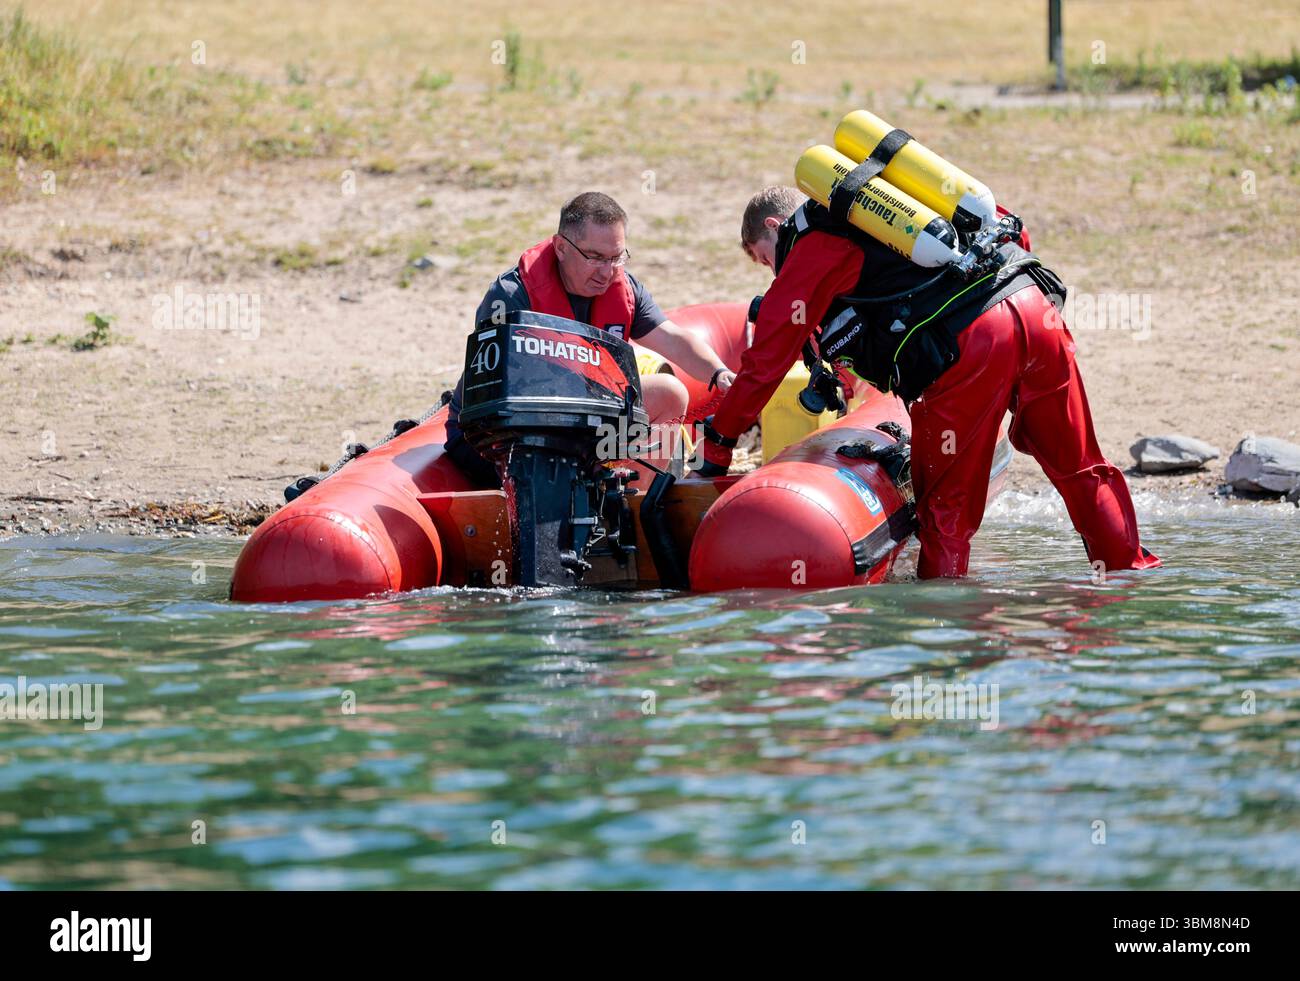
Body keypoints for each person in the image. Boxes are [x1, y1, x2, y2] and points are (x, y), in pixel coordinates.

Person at [693, 185, 1160, 579]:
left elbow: (763, 364)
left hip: (972, 343)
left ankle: (943, 632)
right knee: (1082, 468)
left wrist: (717, 447)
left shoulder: (809, 245)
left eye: (762, 257)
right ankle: (1127, 580)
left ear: (775, 227)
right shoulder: (894, 202)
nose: (771, 270)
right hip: (1034, 306)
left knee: (945, 514)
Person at [443, 191, 735, 486]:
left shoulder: (626, 290)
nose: (607, 272)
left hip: (583, 424)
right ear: (560, 248)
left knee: (671, 392)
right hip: (507, 432)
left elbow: (672, 338)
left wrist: (719, 373)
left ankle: (635, 512)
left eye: (616, 258)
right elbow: (499, 396)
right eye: (595, 258)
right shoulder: (511, 296)